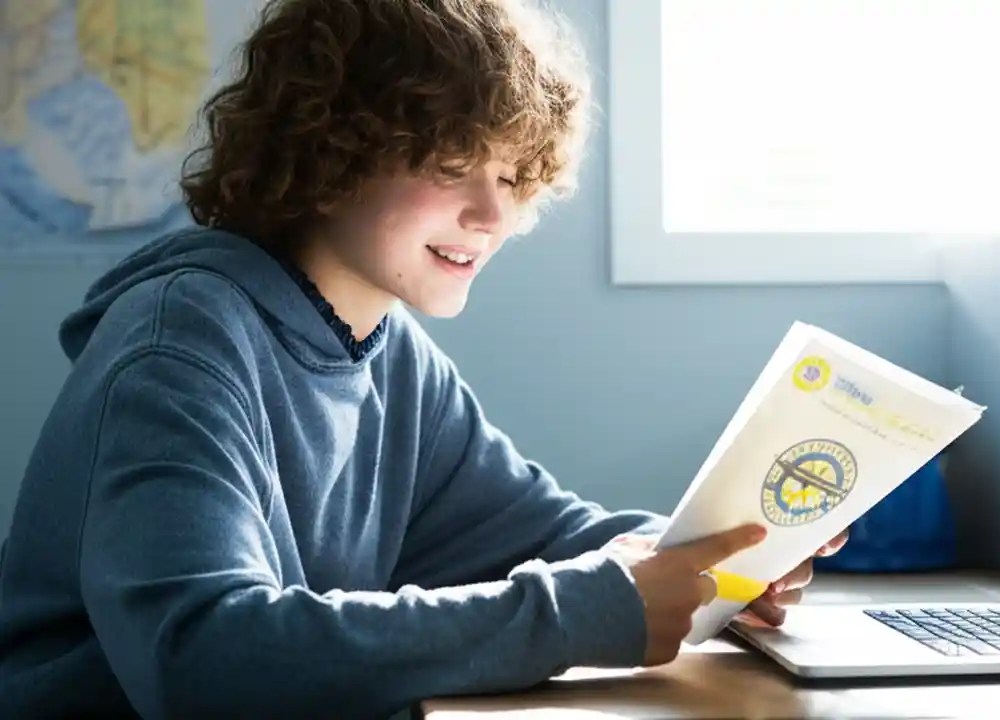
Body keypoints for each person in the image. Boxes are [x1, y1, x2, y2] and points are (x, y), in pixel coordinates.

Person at [0, 0, 847, 718]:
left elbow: (543, 536)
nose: (493, 215)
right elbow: (196, 657)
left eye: (515, 178)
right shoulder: (182, 345)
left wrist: (706, 563)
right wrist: (588, 610)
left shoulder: (385, 349)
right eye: (452, 166)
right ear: (327, 151)